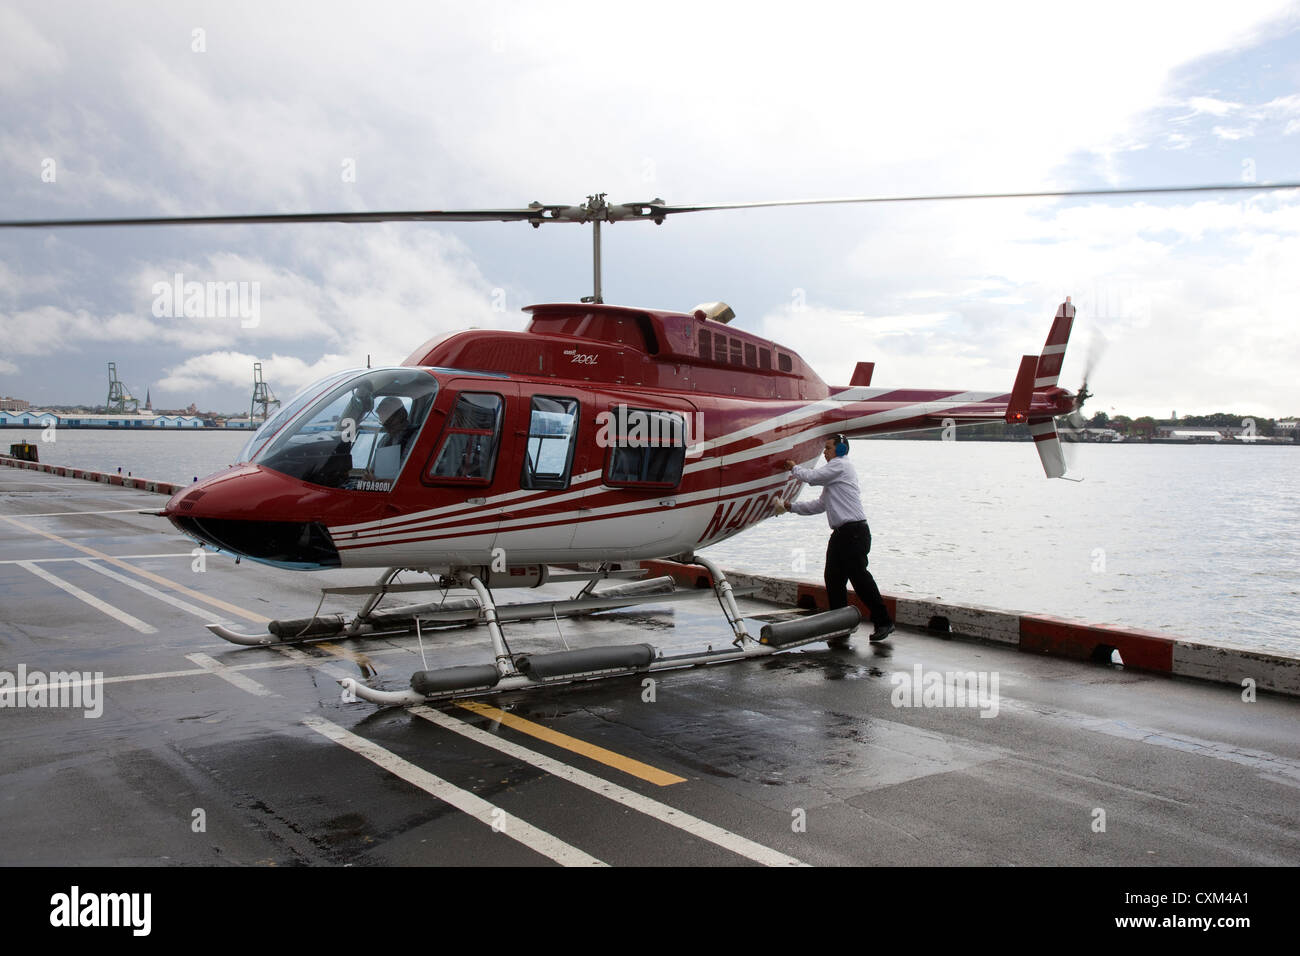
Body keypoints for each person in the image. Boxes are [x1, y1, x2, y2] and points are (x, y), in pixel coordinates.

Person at [775, 434, 895, 643]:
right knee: (833, 579)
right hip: (842, 534)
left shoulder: (841, 466)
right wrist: (791, 507)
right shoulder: (833, 476)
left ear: (840, 450)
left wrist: (793, 467)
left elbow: (812, 477)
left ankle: (883, 621)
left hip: (854, 532)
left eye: (828, 448)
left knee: (860, 579)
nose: (824, 452)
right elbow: (820, 505)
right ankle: (841, 627)